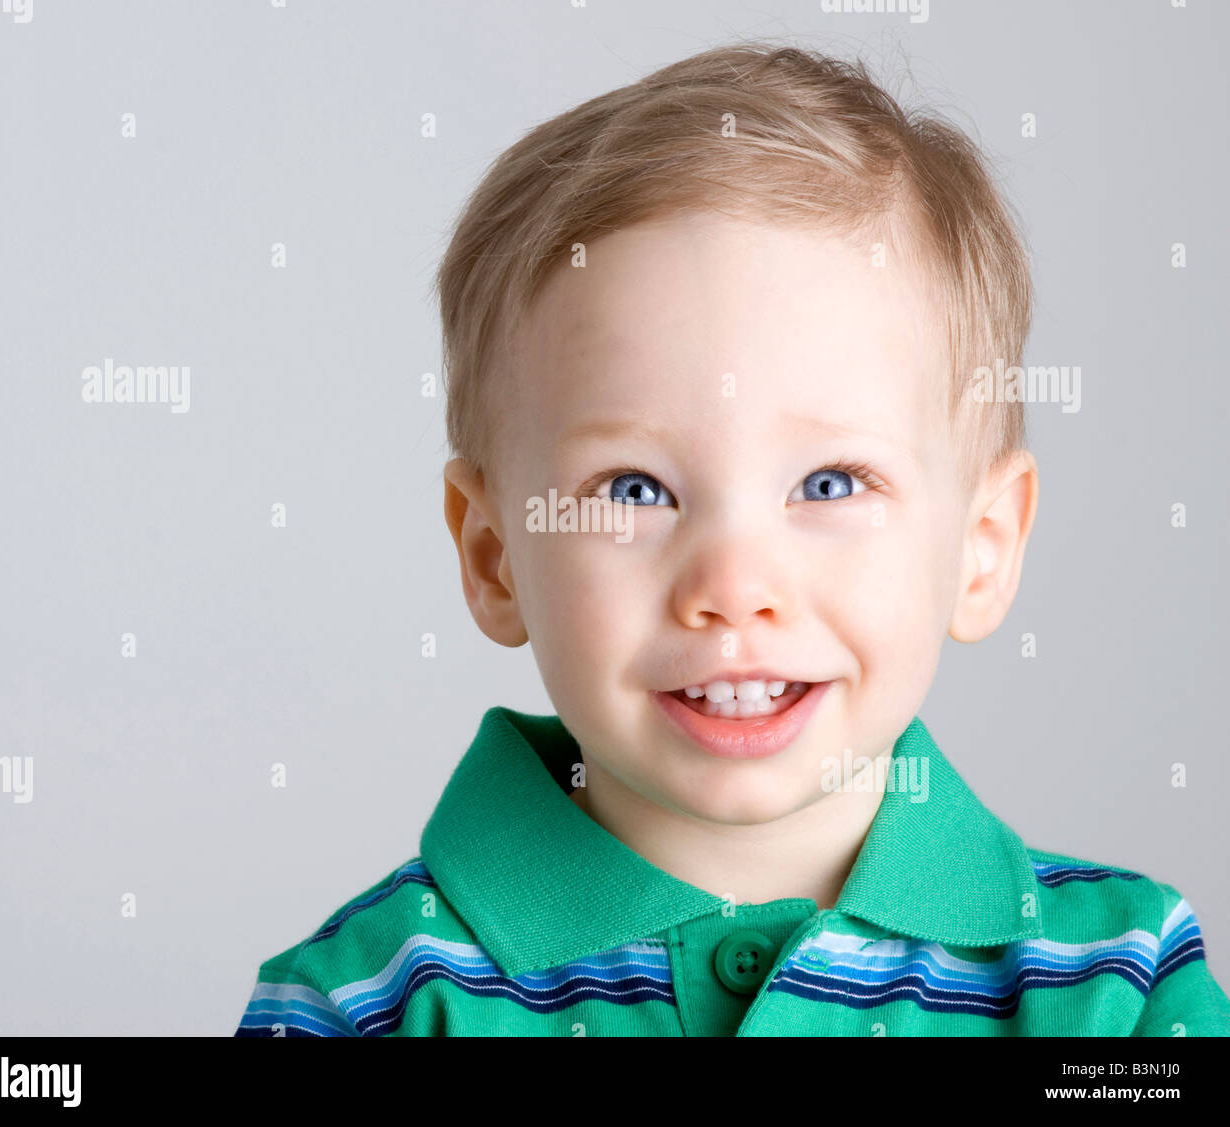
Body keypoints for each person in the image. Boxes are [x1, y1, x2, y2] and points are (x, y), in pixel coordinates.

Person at [235, 41, 1230, 1036]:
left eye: (829, 483)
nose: (733, 584)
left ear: (982, 544)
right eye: (635, 487)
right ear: (494, 555)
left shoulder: (1122, 987)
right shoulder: (362, 1004)